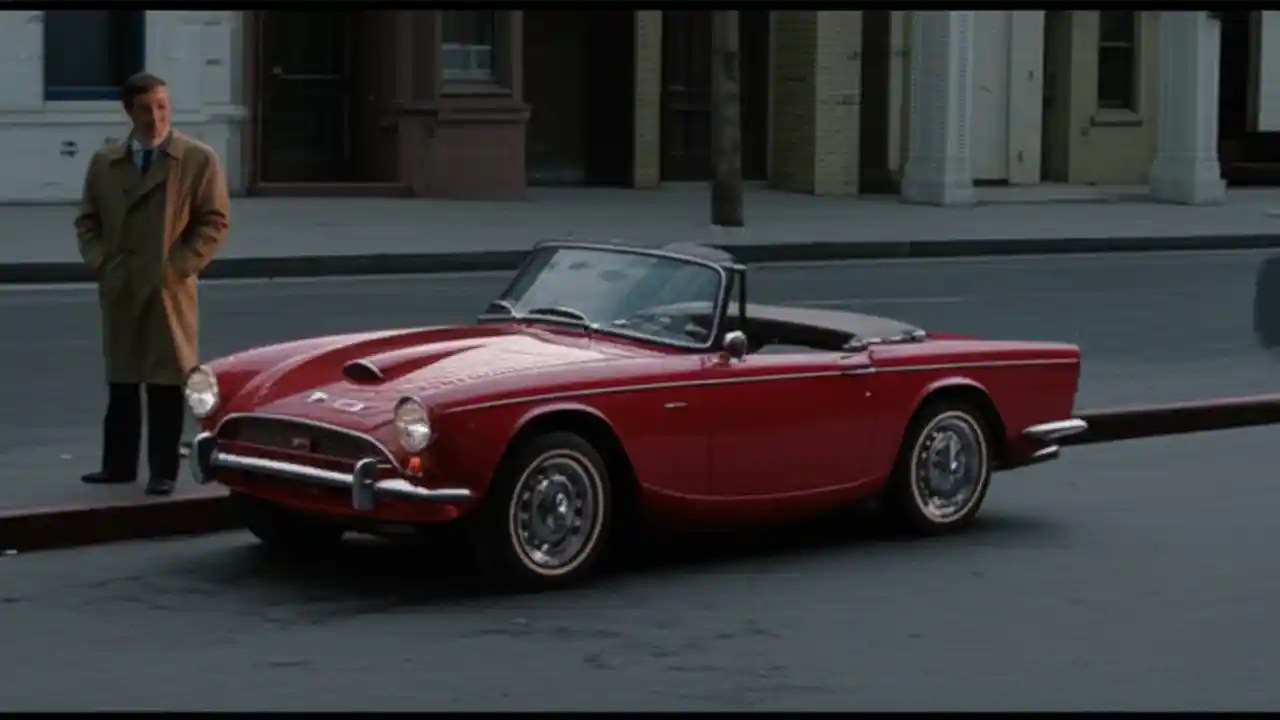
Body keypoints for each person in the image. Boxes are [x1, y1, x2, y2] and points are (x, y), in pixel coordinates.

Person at [74, 71, 230, 496]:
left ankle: (163, 470)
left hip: (168, 288)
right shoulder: (106, 163)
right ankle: (118, 465)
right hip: (122, 283)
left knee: (166, 380)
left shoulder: (196, 160)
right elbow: (88, 220)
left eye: (162, 107)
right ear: (129, 112)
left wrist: (179, 266)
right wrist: (102, 262)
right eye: (145, 109)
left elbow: (214, 220)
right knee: (122, 378)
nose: (156, 118)